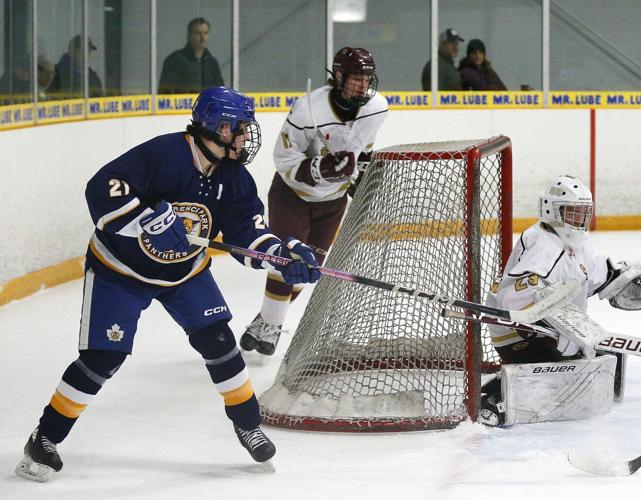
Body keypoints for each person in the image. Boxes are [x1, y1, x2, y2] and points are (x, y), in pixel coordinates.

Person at [14, 86, 322, 482]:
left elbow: (247, 231)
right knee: (102, 359)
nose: (247, 137)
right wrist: (145, 220)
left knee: (220, 342)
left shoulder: (235, 178)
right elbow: (102, 188)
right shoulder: (164, 154)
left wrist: (283, 255)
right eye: (240, 129)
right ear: (216, 127)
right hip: (119, 273)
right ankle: (45, 438)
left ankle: (248, 424)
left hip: (185, 274)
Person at [479, 175, 641, 427]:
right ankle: (492, 395)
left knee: (600, 358)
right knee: (567, 373)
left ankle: (565, 358)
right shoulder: (542, 245)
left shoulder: (577, 241)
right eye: (571, 212)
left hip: (552, 327)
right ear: (550, 209)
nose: (579, 220)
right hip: (520, 334)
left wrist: (621, 278)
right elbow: (512, 301)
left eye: (582, 213)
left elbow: (597, 275)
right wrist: (551, 314)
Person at [239, 47, 388, 356]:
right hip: (292, 196)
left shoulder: (377, 108)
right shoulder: (307, 110)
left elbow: (364, 151)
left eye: (366, 79)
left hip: (332, 203)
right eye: (355, 79)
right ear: (338, 77)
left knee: (308, 267)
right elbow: (283, 158)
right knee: (288, 260)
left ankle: (267, 317)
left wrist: (360, 176)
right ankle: (273, 323)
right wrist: (319, 169)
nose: (362, 86)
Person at [159, 17, 225, 95]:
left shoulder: (212, 63)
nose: (203, 37)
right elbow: (165, 93)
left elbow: (220, 92)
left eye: (206, 33)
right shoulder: (174, 60)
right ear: (189, 35)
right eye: (198, 33)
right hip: (183, 106)